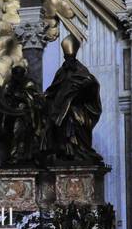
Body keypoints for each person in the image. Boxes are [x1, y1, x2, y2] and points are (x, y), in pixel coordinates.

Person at [44, 35, 102, 163]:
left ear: (74, 57)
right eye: (66, 58)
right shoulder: (61, 72)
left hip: (77, 107)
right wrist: (46, 96)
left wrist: (84, 87)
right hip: (60, 107)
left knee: (76, 122)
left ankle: (79, 150)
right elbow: (54, 88)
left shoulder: (82, 71)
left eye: (70, 58)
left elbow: (92, 85)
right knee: (58, 125)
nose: (68, 60)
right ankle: (65, 151)